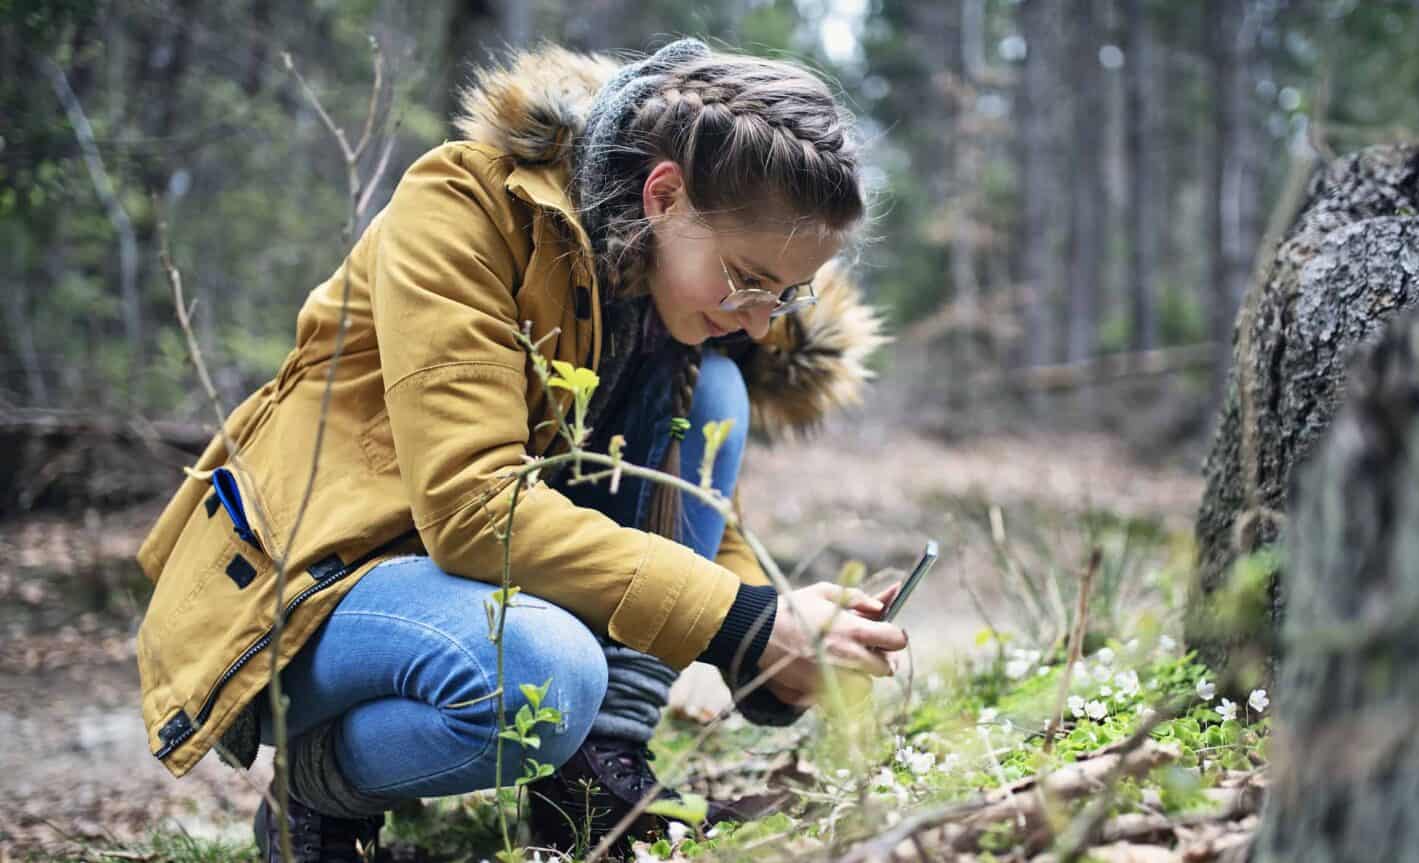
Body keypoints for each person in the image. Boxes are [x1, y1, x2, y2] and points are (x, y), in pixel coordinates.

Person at [133, 37, 906, 862]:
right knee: (542, 672)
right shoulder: (462, 206)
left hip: (461, 589)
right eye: (749, 278)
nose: (761, 319)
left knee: (718, 389)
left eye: (786, 294)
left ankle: (594, 778)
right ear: (665, 195)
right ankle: (316, 793)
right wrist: (742, 622)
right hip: (317, 590)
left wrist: (783, 639)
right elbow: (474, 509)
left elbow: (694, 517)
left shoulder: (661, 300)